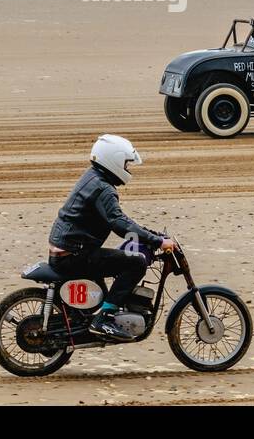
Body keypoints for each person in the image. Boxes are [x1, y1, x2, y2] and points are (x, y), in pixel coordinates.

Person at [47, 134, 176, 341]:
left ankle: (96, 317)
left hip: (68, 250)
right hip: (75, 255)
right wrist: (157, 242)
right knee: (136, 263)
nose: (127, 168)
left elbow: (120, 220)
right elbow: (119, 223)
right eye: (125, 163)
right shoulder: (103, 189)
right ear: (113, 160)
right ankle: (103, 319)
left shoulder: (93, 177)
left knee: (112, 272)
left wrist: (151, 235)